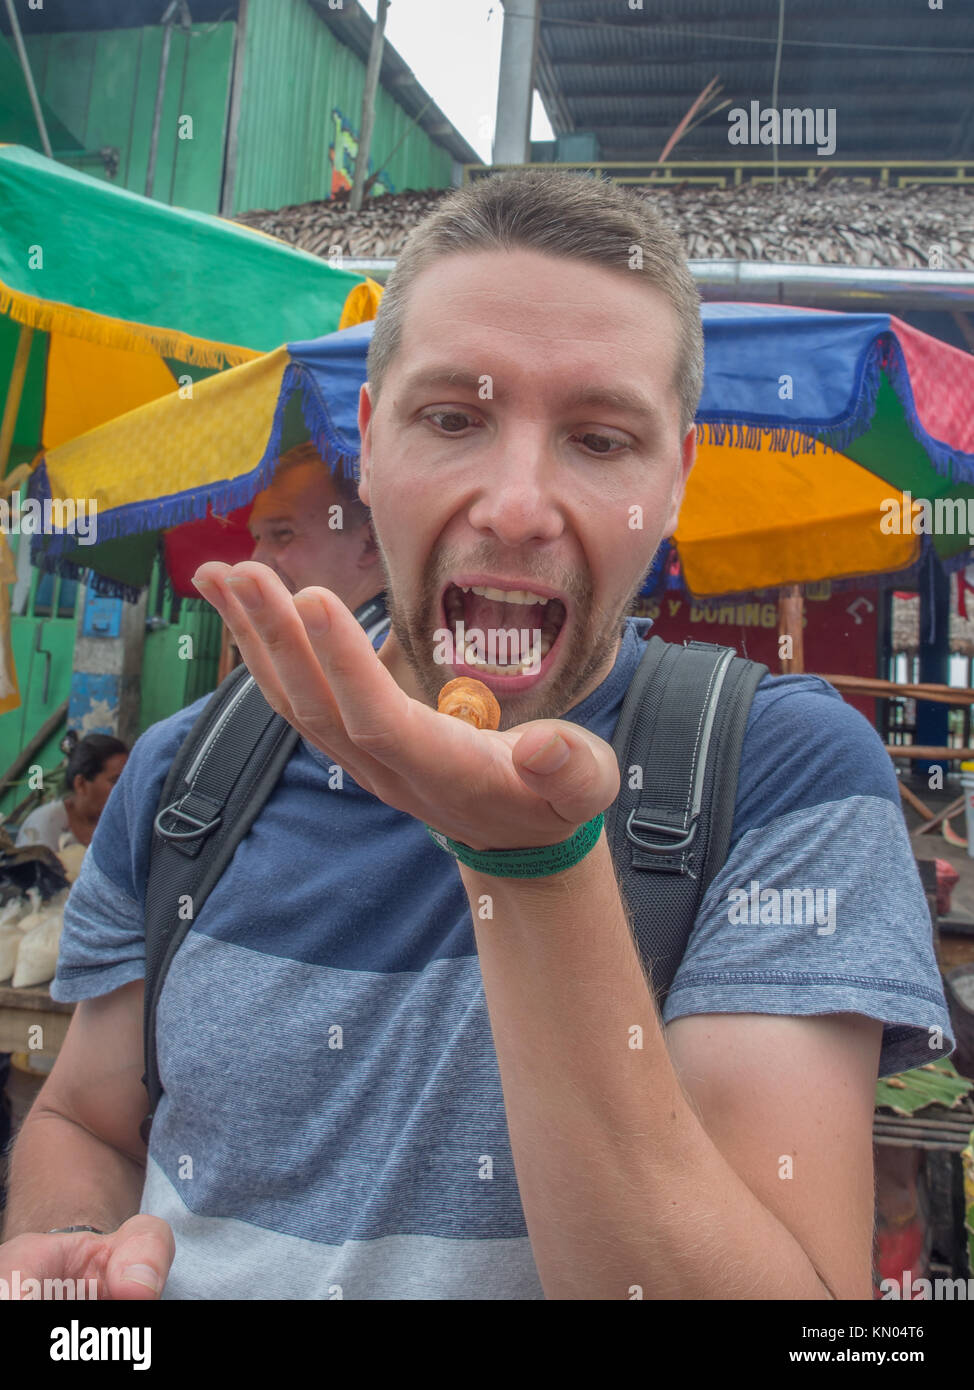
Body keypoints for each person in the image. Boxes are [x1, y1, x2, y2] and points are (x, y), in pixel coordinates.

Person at [0, 170, 953, 1301]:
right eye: (452, 418)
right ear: (368, 442)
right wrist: (70, 1253)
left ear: (673, 480)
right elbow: (90, 1115)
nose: (512, 504)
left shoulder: (777, 776)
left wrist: (529, 865)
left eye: (599, 440)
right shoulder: (182, 775)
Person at [248, 440, 388, 642]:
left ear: (370, 544)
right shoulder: (269, 660)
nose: (256, 561)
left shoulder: (406, 662)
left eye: (283, 533)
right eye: (257, 537)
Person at [14, 733, 128, 854]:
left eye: (128, 781)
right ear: (81, 784)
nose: (125, 790)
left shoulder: (123, 827)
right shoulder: (45, 824)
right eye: (115, 781)